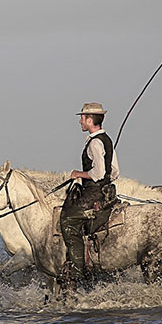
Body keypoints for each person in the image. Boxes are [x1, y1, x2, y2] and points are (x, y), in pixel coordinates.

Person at [60, 102, 120, 286]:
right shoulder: (106, 140)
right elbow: (114, 171)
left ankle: (77, 270)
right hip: (105, 191)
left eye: (82, 118)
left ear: (90, 120)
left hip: (94, 195)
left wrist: (79, 174)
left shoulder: (95, 142)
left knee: (67, 220)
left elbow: (99, 173)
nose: (80, 121)